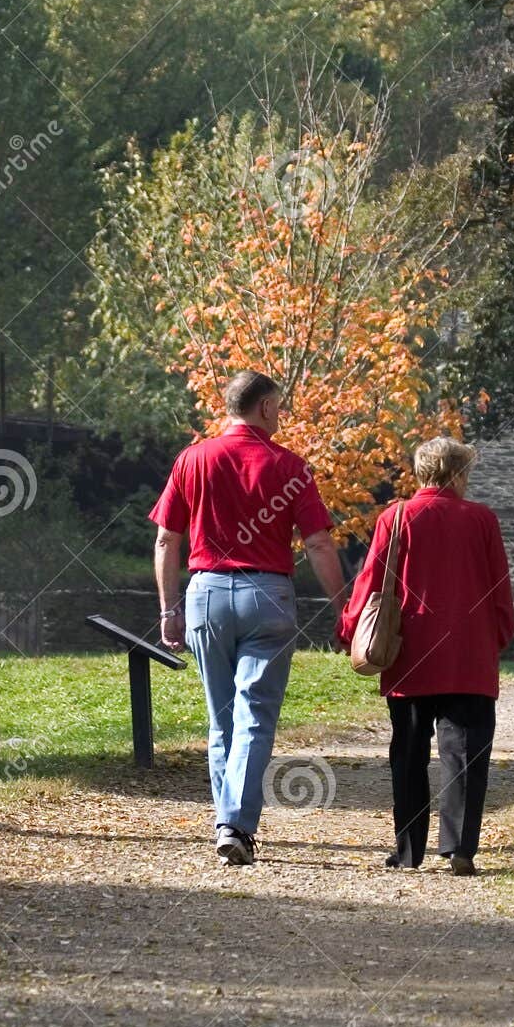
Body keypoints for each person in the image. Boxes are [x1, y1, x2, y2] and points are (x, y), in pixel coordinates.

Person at [150, 370, 347, 867]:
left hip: (206, 593)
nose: (280, 416)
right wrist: (343, 604)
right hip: (268, 597)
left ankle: (227, 823)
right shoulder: (289, 466)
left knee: (221, 720)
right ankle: (236, 824)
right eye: (278, 407)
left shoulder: (193, 459)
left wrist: (168, 608)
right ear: (263, 408)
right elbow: (319, 541)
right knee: (254, 717)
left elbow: (165, 540)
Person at [338, 436, 514, 876]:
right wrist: (500, 635)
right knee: (466, 755)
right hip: (469, 656)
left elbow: (372, 581)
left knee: (409, 753)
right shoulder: (482, 520)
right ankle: (460, 849)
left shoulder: (396, 516)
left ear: (421, 472)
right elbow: (499, 588)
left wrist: (349, 628)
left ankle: (409, 851)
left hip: (410, 655)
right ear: (459, 473)